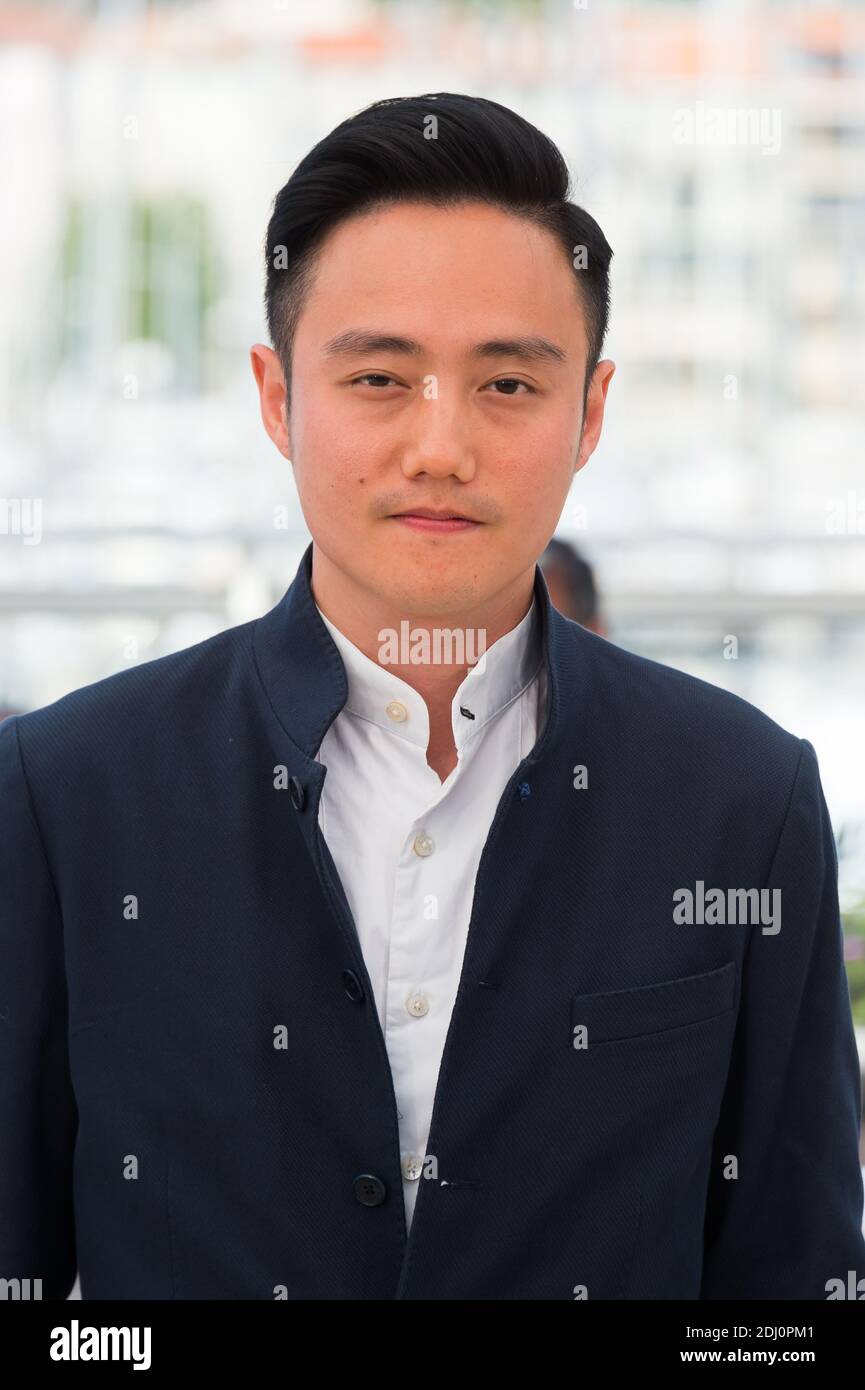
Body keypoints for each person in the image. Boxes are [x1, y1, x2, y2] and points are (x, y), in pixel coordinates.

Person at [1, 92, 862, 1301]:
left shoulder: (742, 797)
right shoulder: (69, 790)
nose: (440, 446)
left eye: (507, 384)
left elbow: (789, 1281)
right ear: (276, 397)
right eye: (380, 378)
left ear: (589, 413)